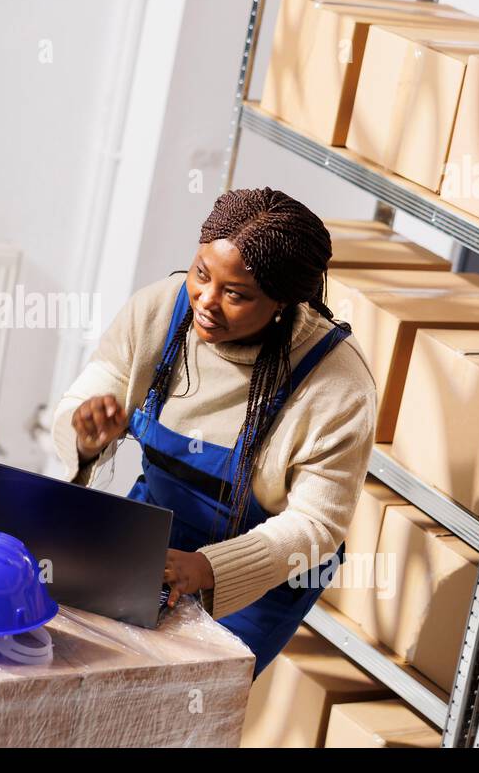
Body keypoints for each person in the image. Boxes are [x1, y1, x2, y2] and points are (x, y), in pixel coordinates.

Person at [54, 188, 377, 676]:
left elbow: (316, 526)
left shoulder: (335, 382)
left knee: (182, 698)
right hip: (155, 526)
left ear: (282, 303)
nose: (206, 301)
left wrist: (207, 568)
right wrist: (86, 432)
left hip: (266, 564)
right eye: (202, 274)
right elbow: (98, 383)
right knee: (86, 665)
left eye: (236, 294)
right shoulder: (162, 311)